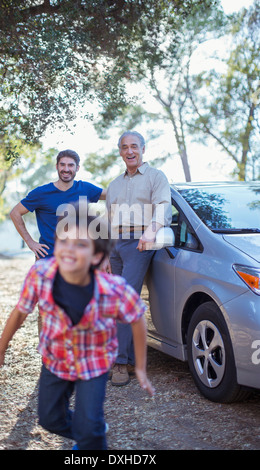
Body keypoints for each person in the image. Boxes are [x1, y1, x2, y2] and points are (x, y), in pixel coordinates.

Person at [0, 204, 154, 450]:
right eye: (64, 241)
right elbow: (21, 311)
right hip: (56, 359)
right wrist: (0, 349)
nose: (69, 249)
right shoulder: (41, 274)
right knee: (50, 419)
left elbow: (137, 318)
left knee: (90, 431)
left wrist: (140, 367)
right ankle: (91, 430)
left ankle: (90, 436)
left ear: (97, 256)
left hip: (94, 361)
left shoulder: (113, 289)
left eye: (80, 244)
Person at [106, 130, 172, 387]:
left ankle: (120, 363)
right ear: (121, 151)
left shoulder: (156, 177)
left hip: (142, 243)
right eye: (125, 147)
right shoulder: (114, 184)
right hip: (116, 245)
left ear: (143, 149)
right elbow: (110, 221)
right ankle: (131, 359)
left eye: (134, 146)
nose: (129, 151)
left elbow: (163, 207)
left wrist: (151, 231)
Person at [10, 149, 106, 260]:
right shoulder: (41, 193)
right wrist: (30, 243)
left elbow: (114, 195)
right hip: (48, 258)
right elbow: (15, 213)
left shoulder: (86, 189)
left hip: (77, 259)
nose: (66, 169)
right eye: (62, 165)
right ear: (57, 166)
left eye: (70, 165)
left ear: (77, 168)